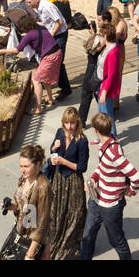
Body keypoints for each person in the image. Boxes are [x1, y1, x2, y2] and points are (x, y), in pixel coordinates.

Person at [80, 112, 139, 260]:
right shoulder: (104, 144)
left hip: (110, 205)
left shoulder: (114, 153)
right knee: (87, 235)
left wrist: (130, 191)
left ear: (95, 130)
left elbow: (136, 176)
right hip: (97, 199)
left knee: (117, 240)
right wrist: (94, 177)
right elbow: (102, 166)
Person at [44, 109, 90, 260]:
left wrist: (63, 162)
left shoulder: (82, 140)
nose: (69, 126)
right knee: (57, 210)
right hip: (59, 179)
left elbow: (82, 167)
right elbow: (52, 153)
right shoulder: (59, 132)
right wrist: (53, 149)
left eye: (72, 123)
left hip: (74, 181)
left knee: (74, 212)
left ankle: (70, 243)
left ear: (77, 122)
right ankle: (56, 239)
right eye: (66, 122)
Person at [3, 145, 52, 260]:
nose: (22, 170)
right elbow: (27, 210)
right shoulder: (25, 178)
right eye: (21, 166)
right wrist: (13, 207)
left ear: (38, 165)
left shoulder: (43, 188)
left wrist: (30, 253)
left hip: (33, 241)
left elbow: (42, 224)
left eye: (26, 166)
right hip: (21, 232)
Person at [31, 0, 72, 100]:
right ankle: (58, 84)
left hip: (60, 34)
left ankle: (65, 89)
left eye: (30, 2)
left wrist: (52, 35)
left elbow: (60, 22)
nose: (28, 5)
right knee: (55, 60)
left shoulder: (46, 6)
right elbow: (47, 22)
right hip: (54, 34)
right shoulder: (39, 8)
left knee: (58, 60)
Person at [77, 15, 108, 126]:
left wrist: (95, 36)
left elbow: (94, 49)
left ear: (106, 21)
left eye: (99, 20)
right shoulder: (104, 33)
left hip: (95, 66)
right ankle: (105, 113)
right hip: (95, 66)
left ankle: (81, 120)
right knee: (94, 92)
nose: (98, 22)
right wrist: (94, 34)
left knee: (87, 92)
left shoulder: (106, 34)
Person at [95, 27, 124, 138]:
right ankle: (101, 136)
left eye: (102, 35)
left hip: (106, 87)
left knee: (107, 115)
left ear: (106, 36)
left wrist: (104, 92)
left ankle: (113, 138)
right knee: (101, 114)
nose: (101, 37)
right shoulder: (107, 47)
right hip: (101, 84)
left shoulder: (112, 51)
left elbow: (111, 75)